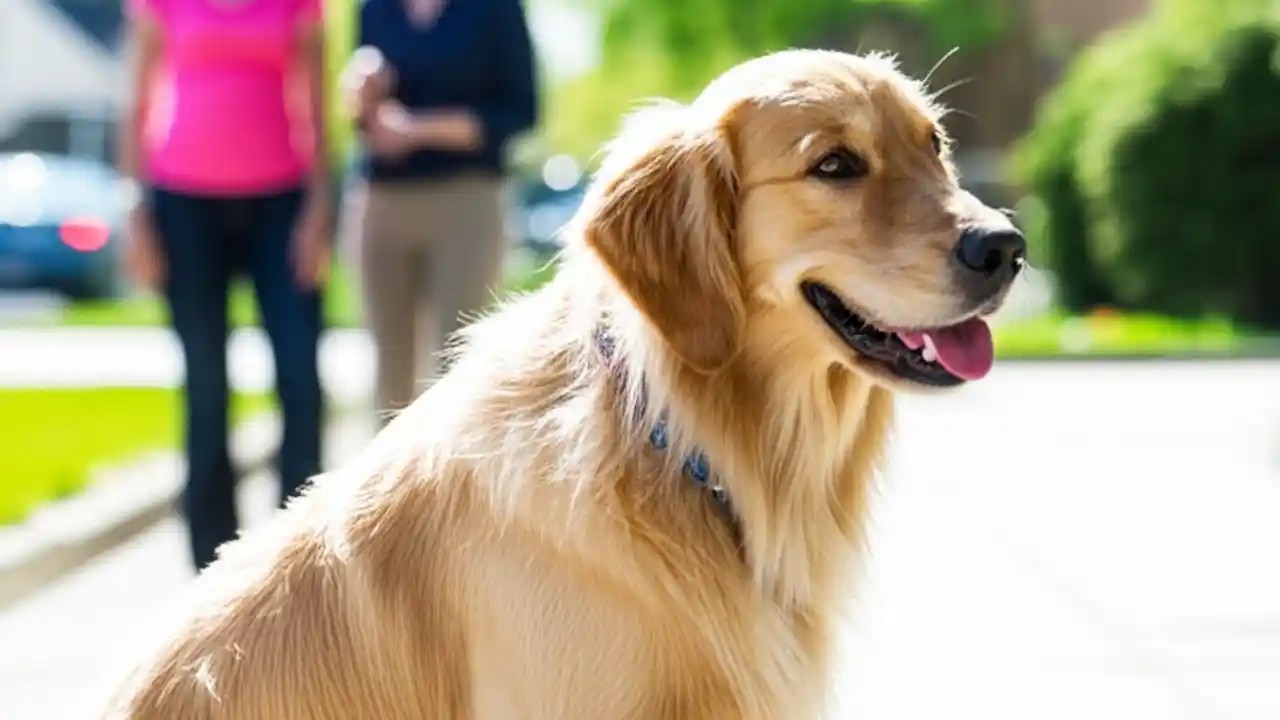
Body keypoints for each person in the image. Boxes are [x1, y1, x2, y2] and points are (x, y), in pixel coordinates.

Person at [120, 0, 331, 571]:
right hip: (184, 203)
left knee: (299, 376)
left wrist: (320, 207)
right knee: (207, 384)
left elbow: (318, 101)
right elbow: (138, 96)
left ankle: (300, 555)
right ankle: (212, 564)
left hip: (281, 202)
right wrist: (136, 211)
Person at [343, 0, 537, 420]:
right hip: (384, 202)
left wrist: (418, 130)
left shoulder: (495, 10)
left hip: (467, 201)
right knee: (389, 373)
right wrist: (364, 93)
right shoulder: (375, 10)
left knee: (460, 369)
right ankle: (391, 486)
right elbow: (363, 123)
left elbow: (521, 111)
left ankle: (454, 486)